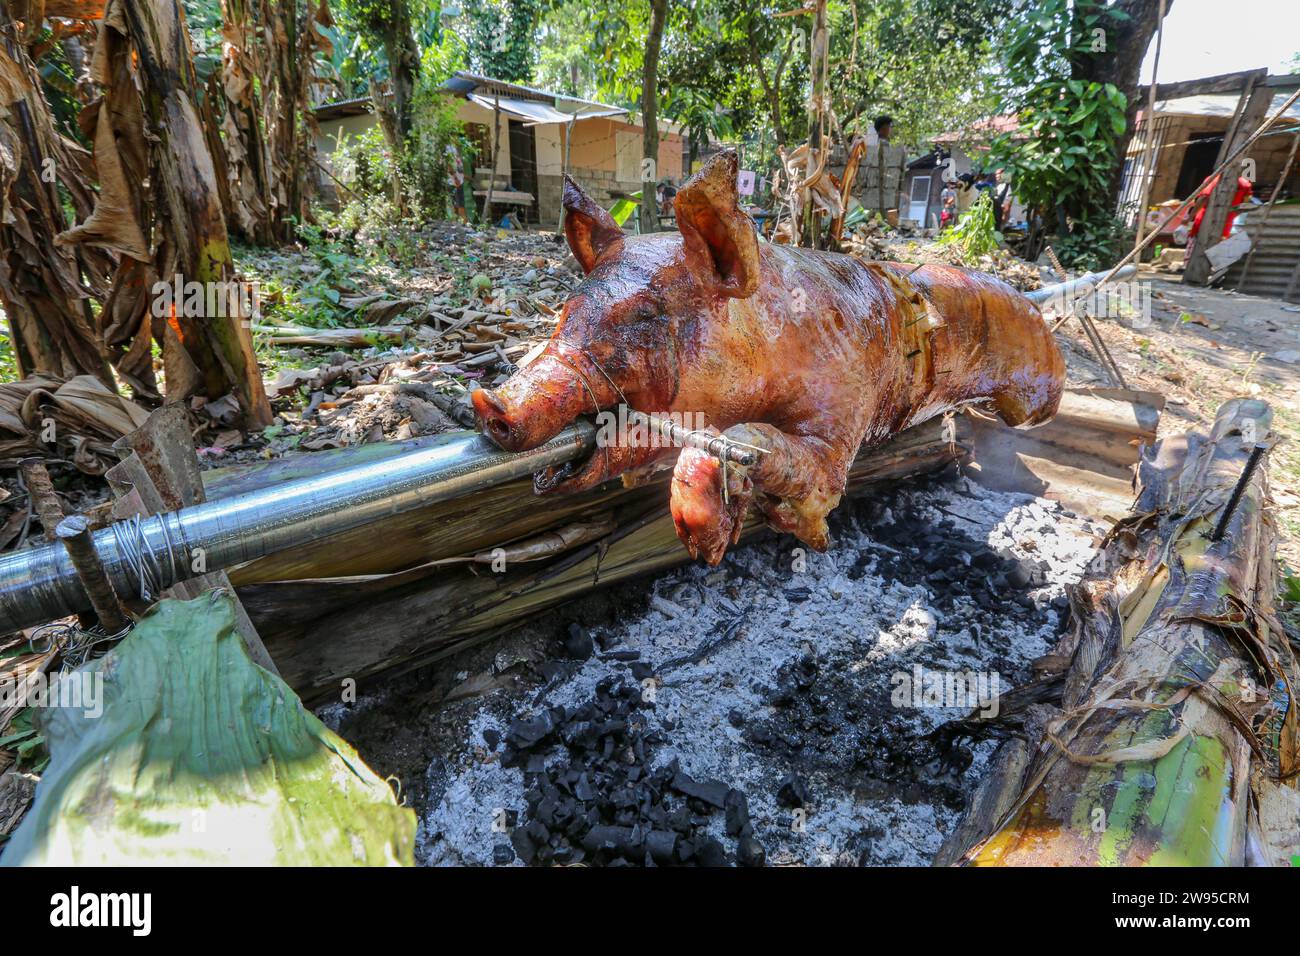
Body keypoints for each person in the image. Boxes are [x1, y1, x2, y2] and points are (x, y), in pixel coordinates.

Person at [445, 142, 468, 223]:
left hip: (457, 181)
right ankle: (464, 224)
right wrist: (455, 178)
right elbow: (449, 166)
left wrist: (462, 176)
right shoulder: (449, 149)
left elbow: (457, 165)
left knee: (457, 205)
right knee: (460, 205)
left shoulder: (453, 147)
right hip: (454, 182)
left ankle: (459, 224)